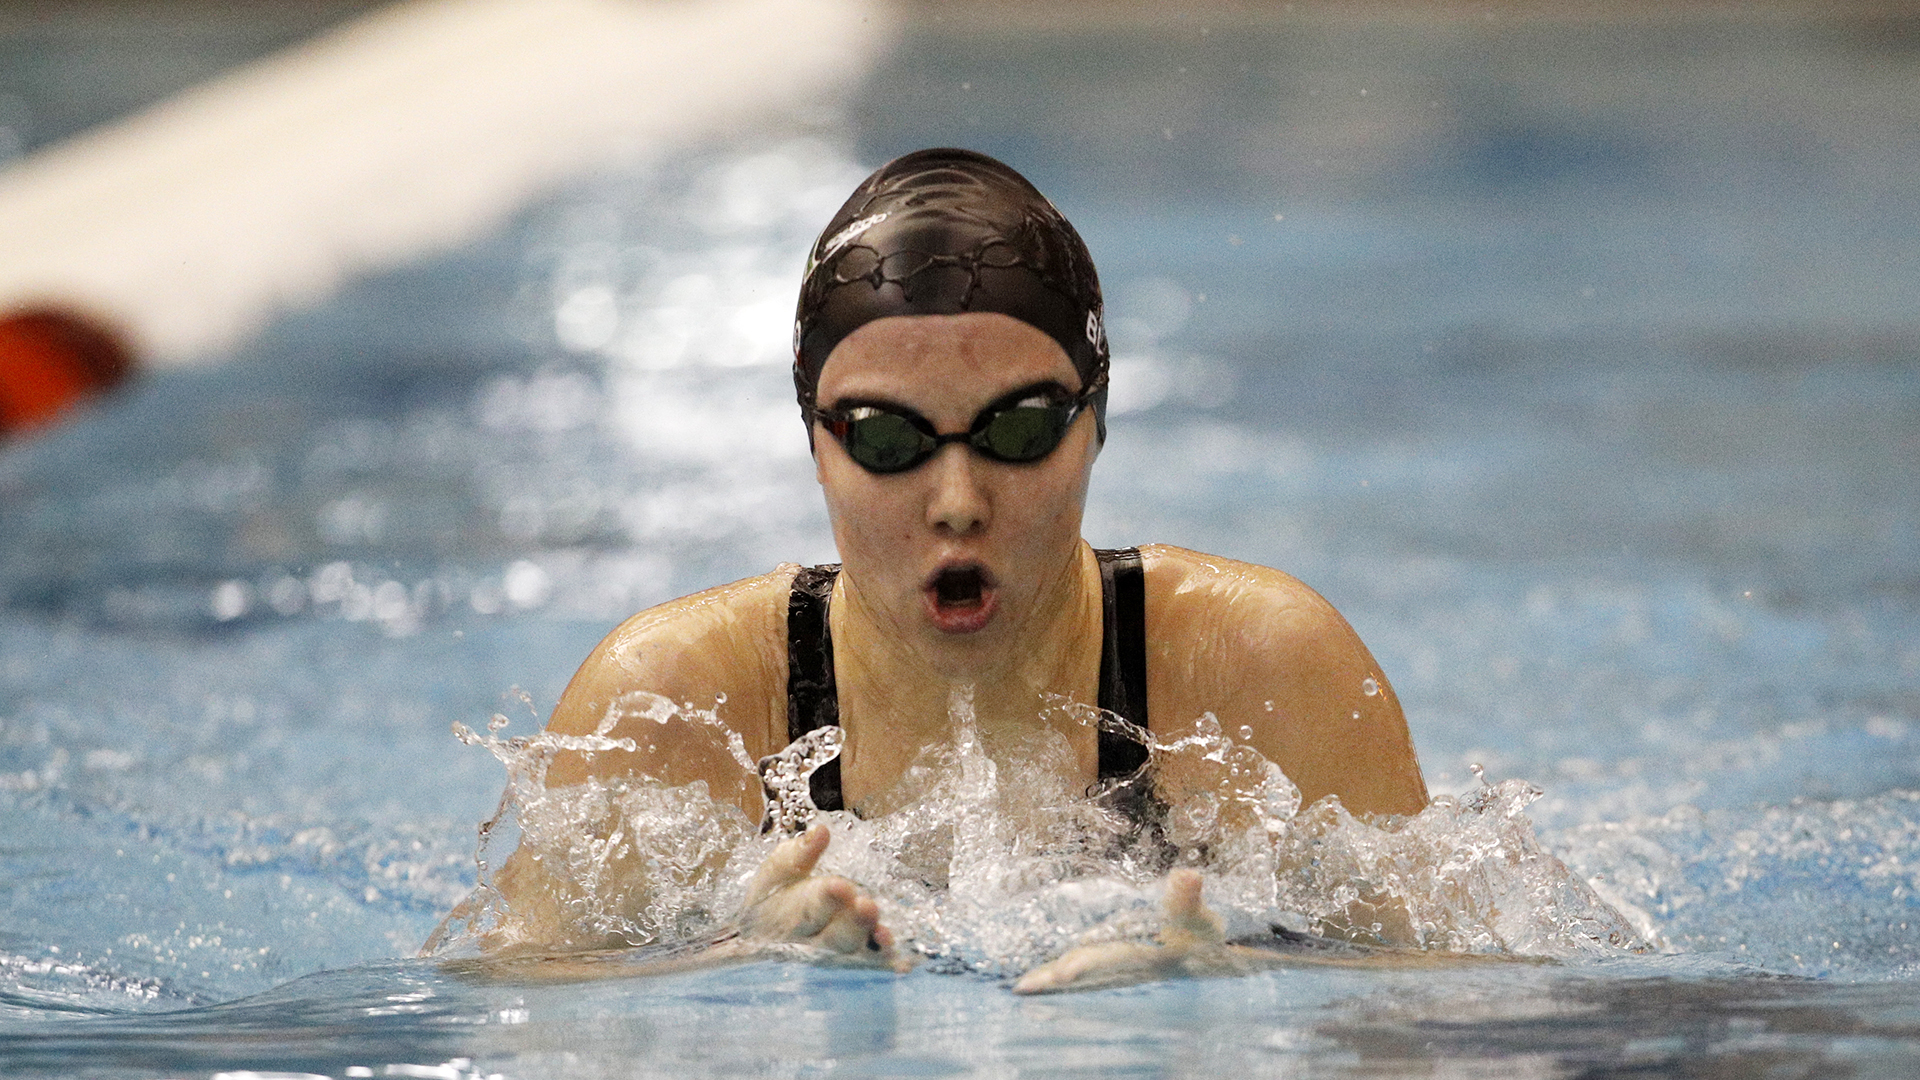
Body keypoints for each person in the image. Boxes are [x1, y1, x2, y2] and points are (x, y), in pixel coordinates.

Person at [486, 148, 1427, 984]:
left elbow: (1453, 1001)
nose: (957, 500)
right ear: (814, 442)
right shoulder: (674, 701)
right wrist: (725, 959)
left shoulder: (1258, 667)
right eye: (888, 439)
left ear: (1095, 423)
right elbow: (511, 1009)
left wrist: (1245, 975)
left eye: (1016, 429)